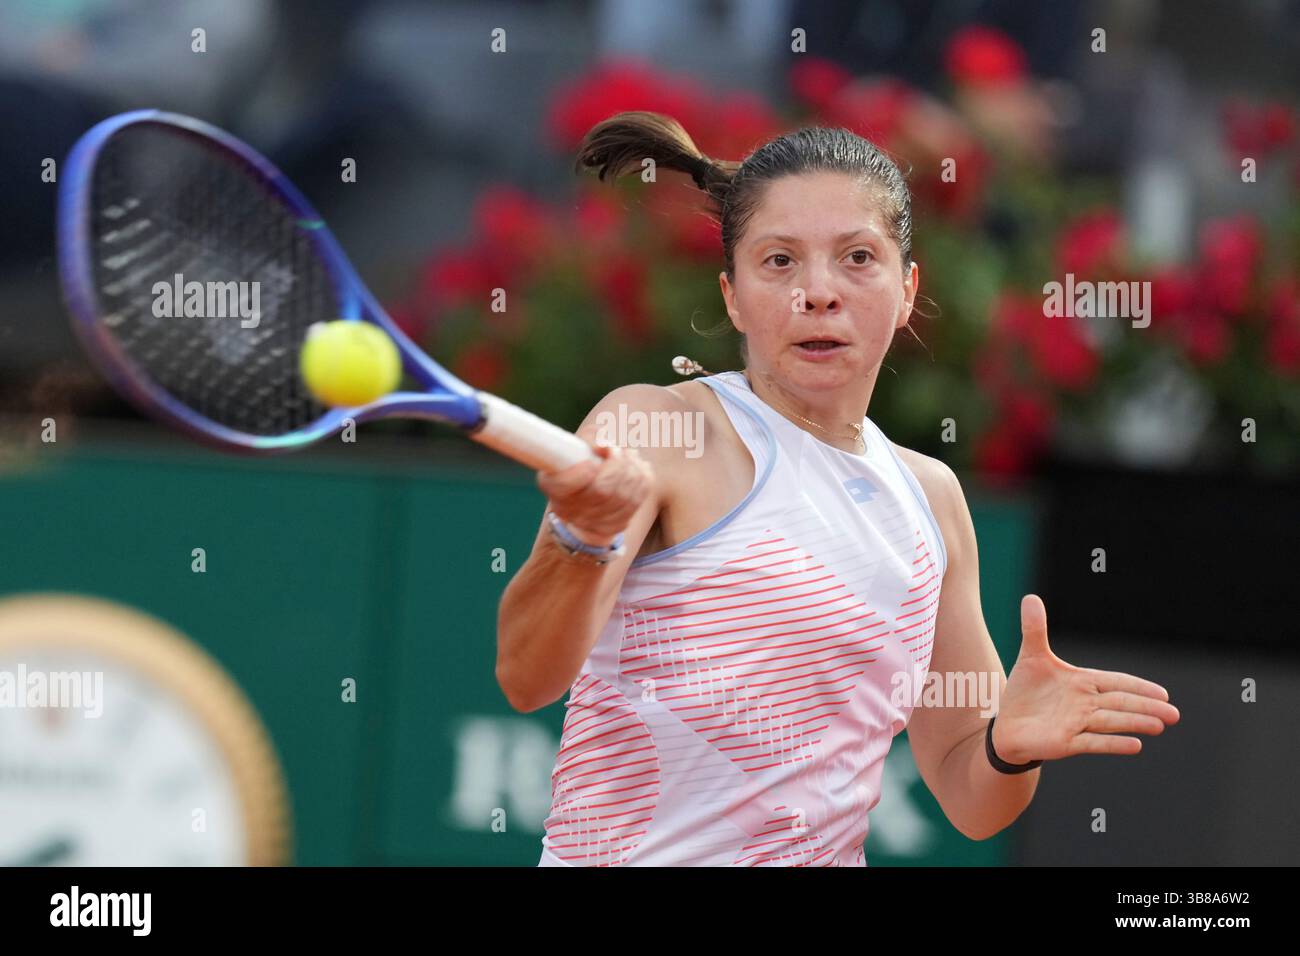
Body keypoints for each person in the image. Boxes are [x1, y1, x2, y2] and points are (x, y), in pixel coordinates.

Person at [495, 111, 1179, 866]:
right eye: (779, 262)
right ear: (731, 296)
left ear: (907, 287)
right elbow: (526, 678)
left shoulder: (933, 500)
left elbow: (971, 795)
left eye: (857, 257)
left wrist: (1008, 748)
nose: (817, 292)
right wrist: (580, 539)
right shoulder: (656, 428)